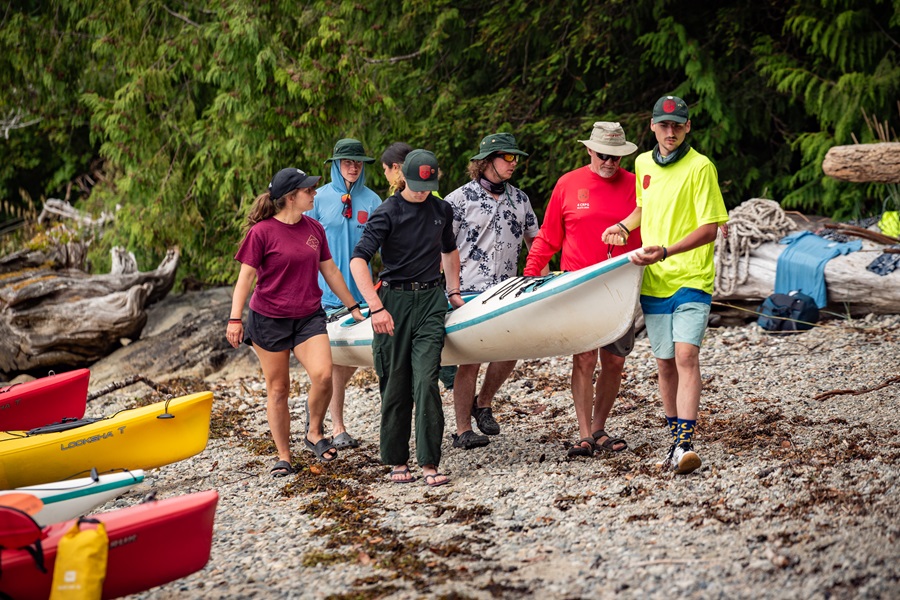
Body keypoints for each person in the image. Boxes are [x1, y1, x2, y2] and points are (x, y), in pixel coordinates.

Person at [601, 96, 728, 475]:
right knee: (665, 361)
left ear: (688, 127)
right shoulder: (643, 163)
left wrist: (667, 251)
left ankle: (686, 443)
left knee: (687, 356)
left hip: (691, 277)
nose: (670, 132)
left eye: (677, 125)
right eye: (663, 125)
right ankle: (675, 441)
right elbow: (644, 208)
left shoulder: (701, 166)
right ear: (653, 126)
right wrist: (623, 227)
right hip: (655, 281)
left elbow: (710, 228)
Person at [227, 167, 364, 477]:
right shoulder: (261, 233)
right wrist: (235, 319)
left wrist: (353, 306)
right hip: (268, 320)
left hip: (308, 317)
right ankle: (284, 456)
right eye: (308, 190)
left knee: (324, 375)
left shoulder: (314, 228)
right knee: (278, 389)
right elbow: (245, 279)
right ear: (290, 197)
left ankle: (314, 432)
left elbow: (330, 271)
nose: (314, 193)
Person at [524, 122, 642, 458]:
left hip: (620, 286)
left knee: (614, 361)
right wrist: (531, 273)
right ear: (589, 150)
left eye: (616, 157)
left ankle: (600, 427)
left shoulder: (636, 186)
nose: (609, 162)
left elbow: (660, 224)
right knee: (585, 358)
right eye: (603, 155)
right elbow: (548, 236)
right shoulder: (568, 184)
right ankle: (584, 433)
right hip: (579, 286)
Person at [350, 149, 465, 487]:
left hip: (430, 300)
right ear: (403, 178)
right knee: (395, 382)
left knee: (426, 380)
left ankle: (429, 461)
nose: (421, 192)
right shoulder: (387, 212)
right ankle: (397, 458)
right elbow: (359, 260)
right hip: (393, 301)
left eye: (428, 187)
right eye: (416, 186)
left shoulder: (441, 210)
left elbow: (449, 249)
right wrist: (375, 307)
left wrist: (453, 291)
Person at [445, 132, 542, 449]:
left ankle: (483, 403)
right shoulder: (458, 200)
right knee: (471, 360)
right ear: (487, 161)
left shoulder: (520, 199)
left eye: (517, 158)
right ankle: (463, 431)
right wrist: (449, 291)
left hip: (507, 291)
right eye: (508, 157)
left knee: (511, 349)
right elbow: (441, 249)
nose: (514, 163)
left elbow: (537, 243)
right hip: (468, 292)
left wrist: (541, 282)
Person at [306, 138, 381, 450]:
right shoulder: (317, 199)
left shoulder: (373, 201)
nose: (354, 167)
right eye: (347, 162)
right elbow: (303, 247)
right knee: (333, 365)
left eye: (358, 162)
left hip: (362, 298)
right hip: (324, 298)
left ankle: (321, 412)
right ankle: (335, 426)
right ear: (336, 164)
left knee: (347, 363)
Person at [381, 141, 458, 393]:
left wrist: (452, 289)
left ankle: (449, 381)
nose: (422, 191)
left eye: (385, 169)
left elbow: (444, 246)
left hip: (429, 287)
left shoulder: (434, 202)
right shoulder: (393, 204)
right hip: (404, 291)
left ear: (396, 168)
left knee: (428, 363)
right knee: (403, 372)